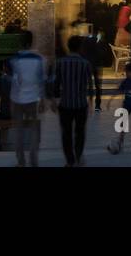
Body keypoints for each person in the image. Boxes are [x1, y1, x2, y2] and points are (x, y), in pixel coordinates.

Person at [50, 35, 95, 167]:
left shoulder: (61, 63)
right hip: (81, 104)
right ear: (80, 48)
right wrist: (91, 102)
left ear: (68, 47)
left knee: (66, 133)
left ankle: (70, 161)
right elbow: (90, 85)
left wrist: (53, 100)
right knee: (80, 133)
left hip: (65, 104)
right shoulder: (85, 64)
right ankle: (79, 156)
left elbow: (56, 84)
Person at [9, 31, 46, 167]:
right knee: (33, 130)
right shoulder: (39, 59)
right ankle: (33, 158)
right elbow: (41, 80)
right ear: (31, 42)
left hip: (17, 99)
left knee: (18, 131)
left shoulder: (15, 58)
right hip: (33, 98)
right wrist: (42, 99)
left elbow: (14, 80)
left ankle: (21, 161)